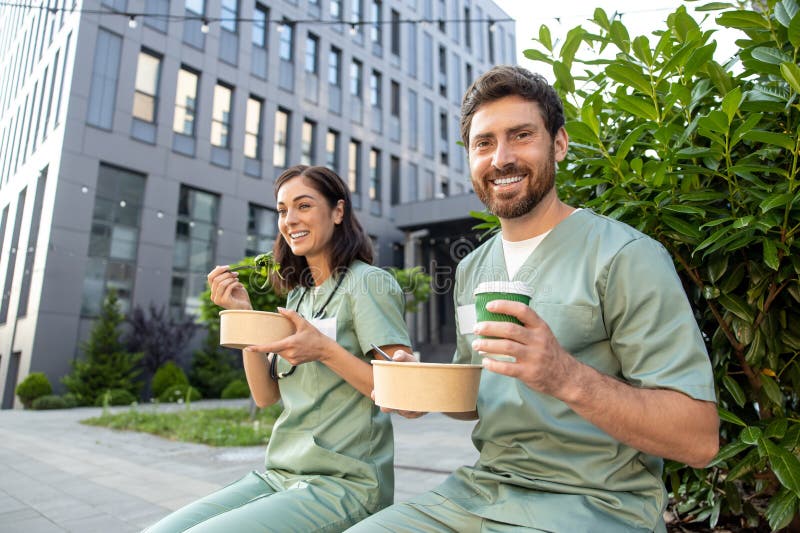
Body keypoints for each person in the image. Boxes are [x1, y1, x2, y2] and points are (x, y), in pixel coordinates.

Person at [347, 65, 719, 532]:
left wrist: (565, 377)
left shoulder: (626, 257)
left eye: (521, 135)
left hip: (597, 503)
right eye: (484, 143)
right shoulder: (471, 269)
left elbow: (699, 439)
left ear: (558, 144)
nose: (501, 158)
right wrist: (417, 386)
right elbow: (474, 396)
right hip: (483, 493)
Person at [145, 165, 412, 533]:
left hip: (345, 484)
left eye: (303, 206)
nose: (290, 220)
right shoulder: (298, 298)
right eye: (282, 210)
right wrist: (243, 316)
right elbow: (266, 395)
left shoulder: (368, 284)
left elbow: (404, 397)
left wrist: (324, 350)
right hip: (281, 473)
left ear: (338, 212)